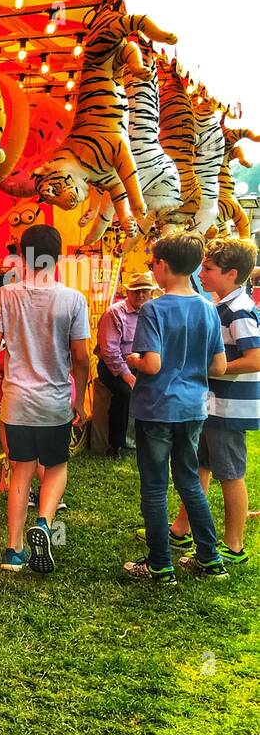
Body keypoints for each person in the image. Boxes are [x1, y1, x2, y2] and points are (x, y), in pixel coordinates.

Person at [0, 224, 90, 574]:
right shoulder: (72, 299)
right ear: (57, 257)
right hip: (55, 400)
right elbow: (82, 357)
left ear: (22, 256)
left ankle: (14, 550)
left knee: (20, 471)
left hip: (16, 401)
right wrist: (81, 398)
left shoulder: (7, 295)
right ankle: (43, 522)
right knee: (56, 467)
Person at [123, 232, 228, 585]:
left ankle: (159, 565)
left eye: (152, 263)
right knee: (189, 481)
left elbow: (151, 365)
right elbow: (219, 367)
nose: (152, 269)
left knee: (154, 486)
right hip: (194, 408)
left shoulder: (153, 308)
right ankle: (210, 558)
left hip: (156, 408)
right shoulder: (208, 308)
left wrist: (134, 359)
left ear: (163, 266)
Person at [165, 237, 259, 566]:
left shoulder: (240, 310)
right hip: (212, 404)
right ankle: (181, 528)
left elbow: (255, 358)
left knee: (230, 474)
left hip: (230, 407)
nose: (201, 273)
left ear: (231, 273)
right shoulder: (220, 306)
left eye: (208, 268)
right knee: (199, 466)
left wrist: (212, 371)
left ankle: (233, 546)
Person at [95, 271, 155, 456]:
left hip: (143, 364)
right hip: (113, 365)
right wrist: (126, 374)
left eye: (145, 290)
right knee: (125, 394)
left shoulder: (153, 312)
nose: (141, 294)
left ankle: (148, 441)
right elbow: (110, 351)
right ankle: (116, 445)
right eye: (136, 290)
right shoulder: (115, 313)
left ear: (151, 292)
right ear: (127, 292)